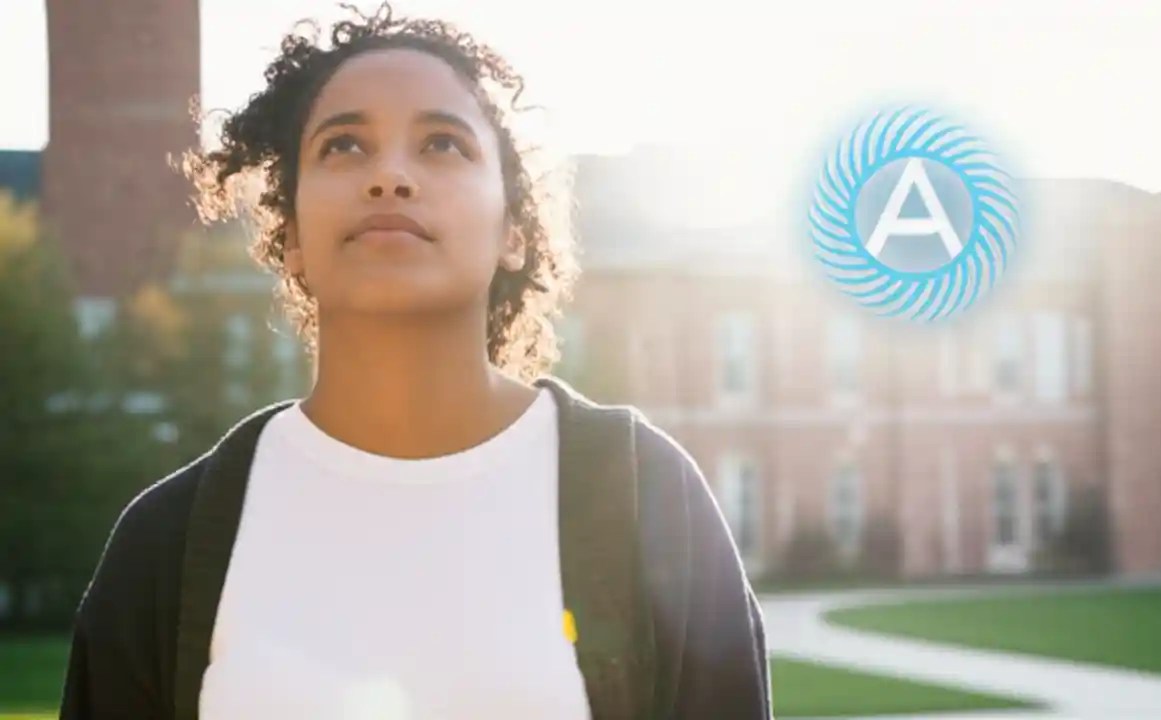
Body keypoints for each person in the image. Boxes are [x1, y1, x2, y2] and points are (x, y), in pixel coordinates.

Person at [57, 3, 773, 719]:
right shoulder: (169, 546)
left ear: (513, 232)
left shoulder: (646, 499)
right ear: (293, 235)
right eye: (343, 147)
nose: (389, 176)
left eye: (442, 144)